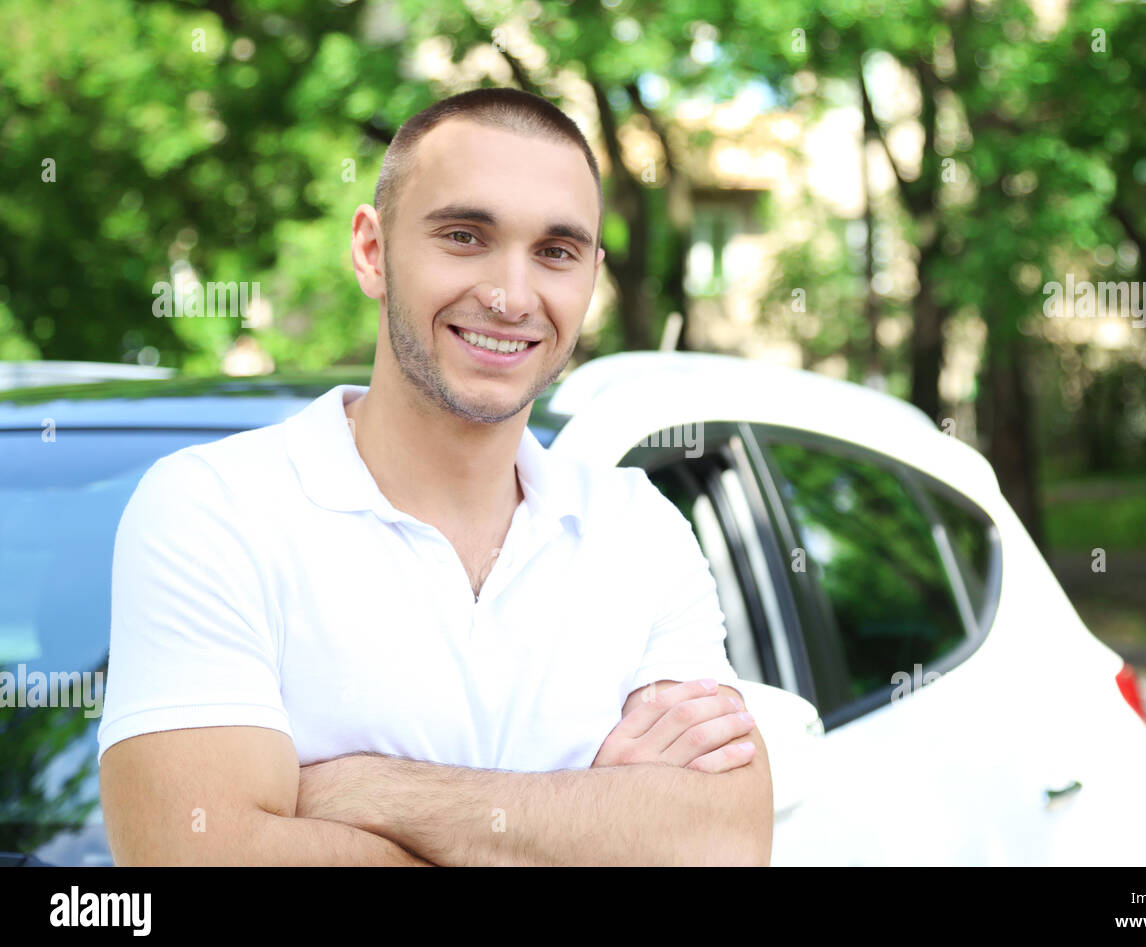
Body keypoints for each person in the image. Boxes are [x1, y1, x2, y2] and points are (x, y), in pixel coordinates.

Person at [98, 87, 773, 866]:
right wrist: (588, 823)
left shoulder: (639, 531)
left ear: (591, 274)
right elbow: (200, 859)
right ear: (372, 252)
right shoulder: (215, 509)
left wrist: (365, 791)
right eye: (464, 235)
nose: (510, 296)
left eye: (555, 252)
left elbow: (723, 841)